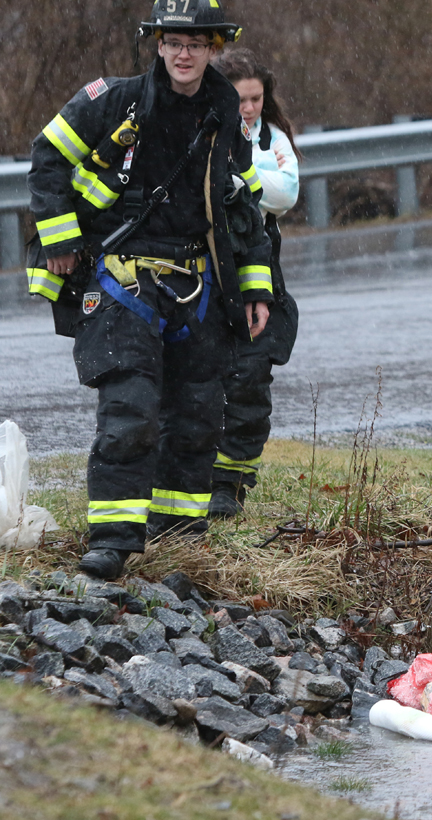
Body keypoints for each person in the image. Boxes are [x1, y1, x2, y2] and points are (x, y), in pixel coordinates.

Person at [25, 0, 273, 580]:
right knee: (130, 411)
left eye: (196, 43)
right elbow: (47, 158)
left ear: (213, 47)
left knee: (197, 413)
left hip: (196, 286)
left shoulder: (223, 111)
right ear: (158, 45)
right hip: (122, 281)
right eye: (173, 42)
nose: (184, 54)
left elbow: (246, 208)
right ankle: (112, 540)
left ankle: (179, 534)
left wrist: (257, 287)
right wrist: (59, 237)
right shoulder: (113, 100)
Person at [207, 49, 300, 517]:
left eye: (255, 99)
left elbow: (285, 192)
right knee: (202, 379)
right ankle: (194, 480)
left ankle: (231, 486)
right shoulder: (202, 130)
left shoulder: (273, 137)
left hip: (259, 264)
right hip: (205, 267)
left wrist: (241, 180)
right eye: (239, 99)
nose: (247, 108)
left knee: (249, 379)